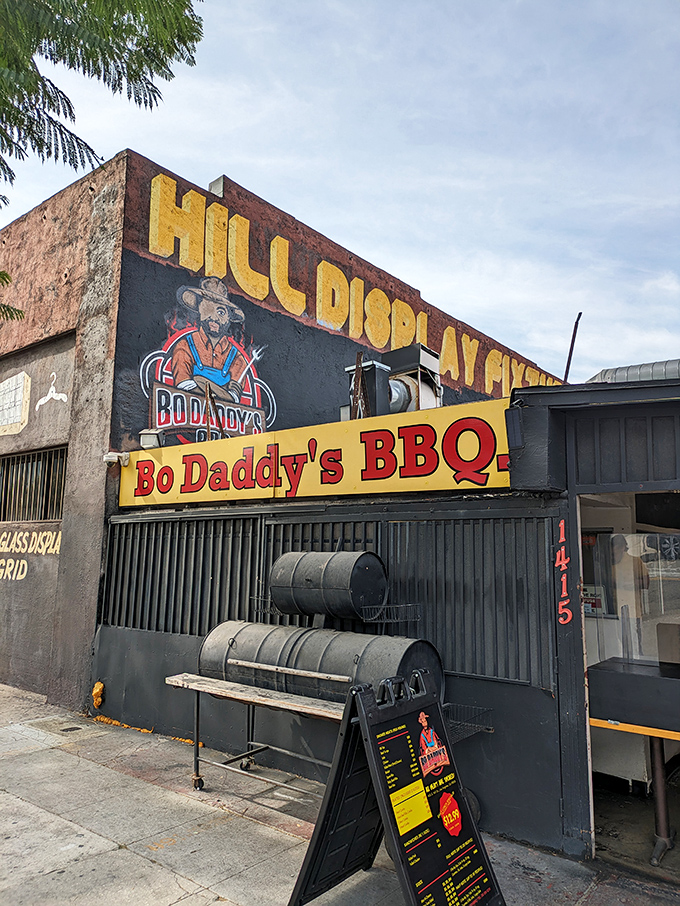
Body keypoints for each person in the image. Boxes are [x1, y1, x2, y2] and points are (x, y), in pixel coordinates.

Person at [171, 277, 249, 402]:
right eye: (208, 309)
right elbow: (184, 385)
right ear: (199, 309)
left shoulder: (237, 359)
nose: (214, 317)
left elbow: (233, 398)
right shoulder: (184, 347)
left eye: (221, 312)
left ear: (229, 317)